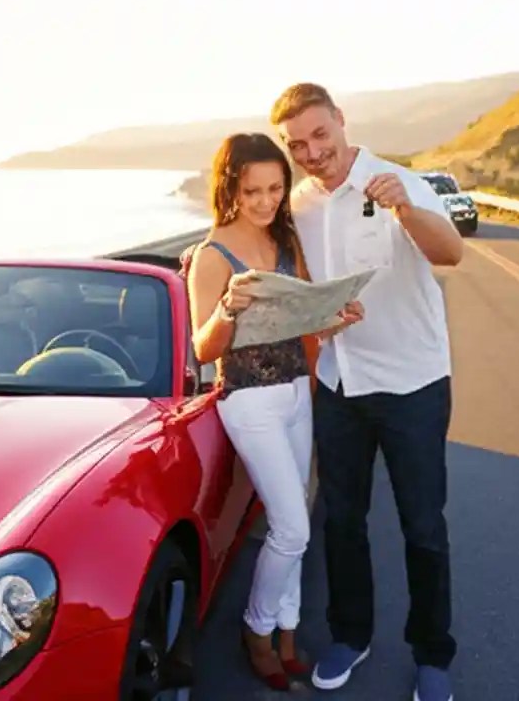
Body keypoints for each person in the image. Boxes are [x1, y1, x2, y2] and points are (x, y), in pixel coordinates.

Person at [269, 82, 465, 701]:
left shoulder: (395, 180)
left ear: (341, 122)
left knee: (422, 527)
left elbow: (451, 252)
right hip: (339, 383)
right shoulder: (298, 202)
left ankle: (433, 656)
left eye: (320, 135)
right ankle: (350, 636)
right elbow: (301, 285)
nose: (312, 152)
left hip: (412, 382)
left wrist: (405, 207)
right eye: (297, 144)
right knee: (343, 523)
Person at [186, 132, 364, 691]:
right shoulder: (213, 254)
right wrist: (226, 308)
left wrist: (336, 319)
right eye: (253, 191)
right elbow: (203, 349)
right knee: (289, 526)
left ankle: (288, 630)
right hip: (248, 402)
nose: (266, 201)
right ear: (230, 189)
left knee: (300, 523)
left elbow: (304, 320)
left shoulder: (285, 239)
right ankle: (257, 629)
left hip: (295, 393)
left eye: (275, 188)